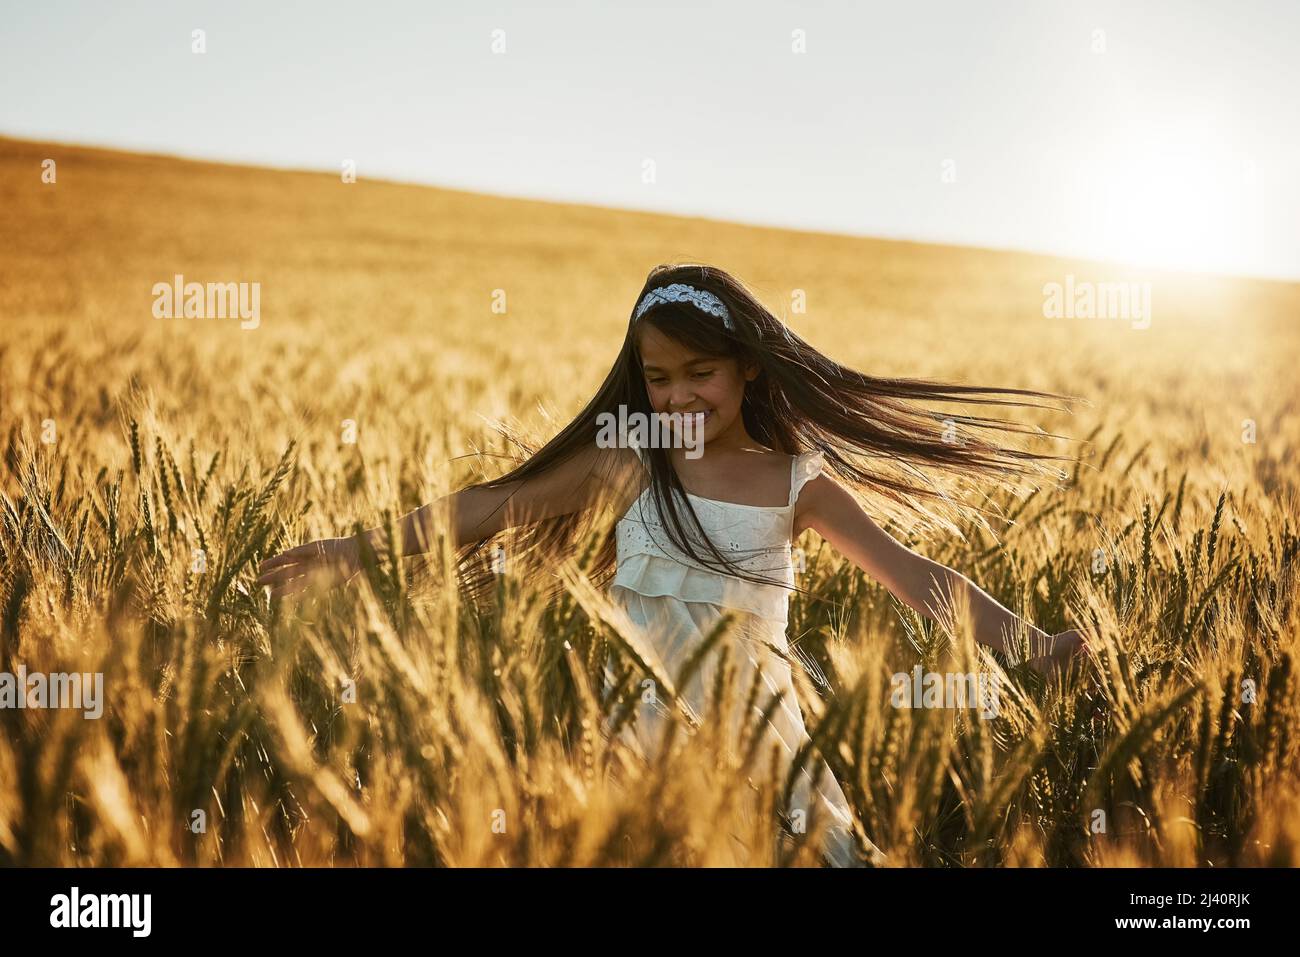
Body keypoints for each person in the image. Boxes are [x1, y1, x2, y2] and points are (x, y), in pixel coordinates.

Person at [255, 262, 1088, 867]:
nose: (679, 396)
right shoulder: (630, 462)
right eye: (658, 378)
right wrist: (352, 553)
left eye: (702, 373)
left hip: (758, 735)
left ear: (748, 369)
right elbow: (487, 506)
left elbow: (917, 577)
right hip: (637, 729)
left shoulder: (796, 484)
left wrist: (1031, 644)